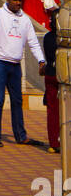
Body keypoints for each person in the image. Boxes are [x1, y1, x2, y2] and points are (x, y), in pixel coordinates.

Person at [0, 0, 46, 147]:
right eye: (15, 0)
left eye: (20, 1)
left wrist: (41, 61)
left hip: (15, 65)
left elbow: (33, 43)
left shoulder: (25, 20)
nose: (18, 3)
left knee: (17, 100)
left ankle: (21, 136)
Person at [42, 12, 60, 154]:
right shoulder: (64, 39)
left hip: (50, 75)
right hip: (62, 77)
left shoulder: (48, 37)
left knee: (52, 111)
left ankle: (54, 143)